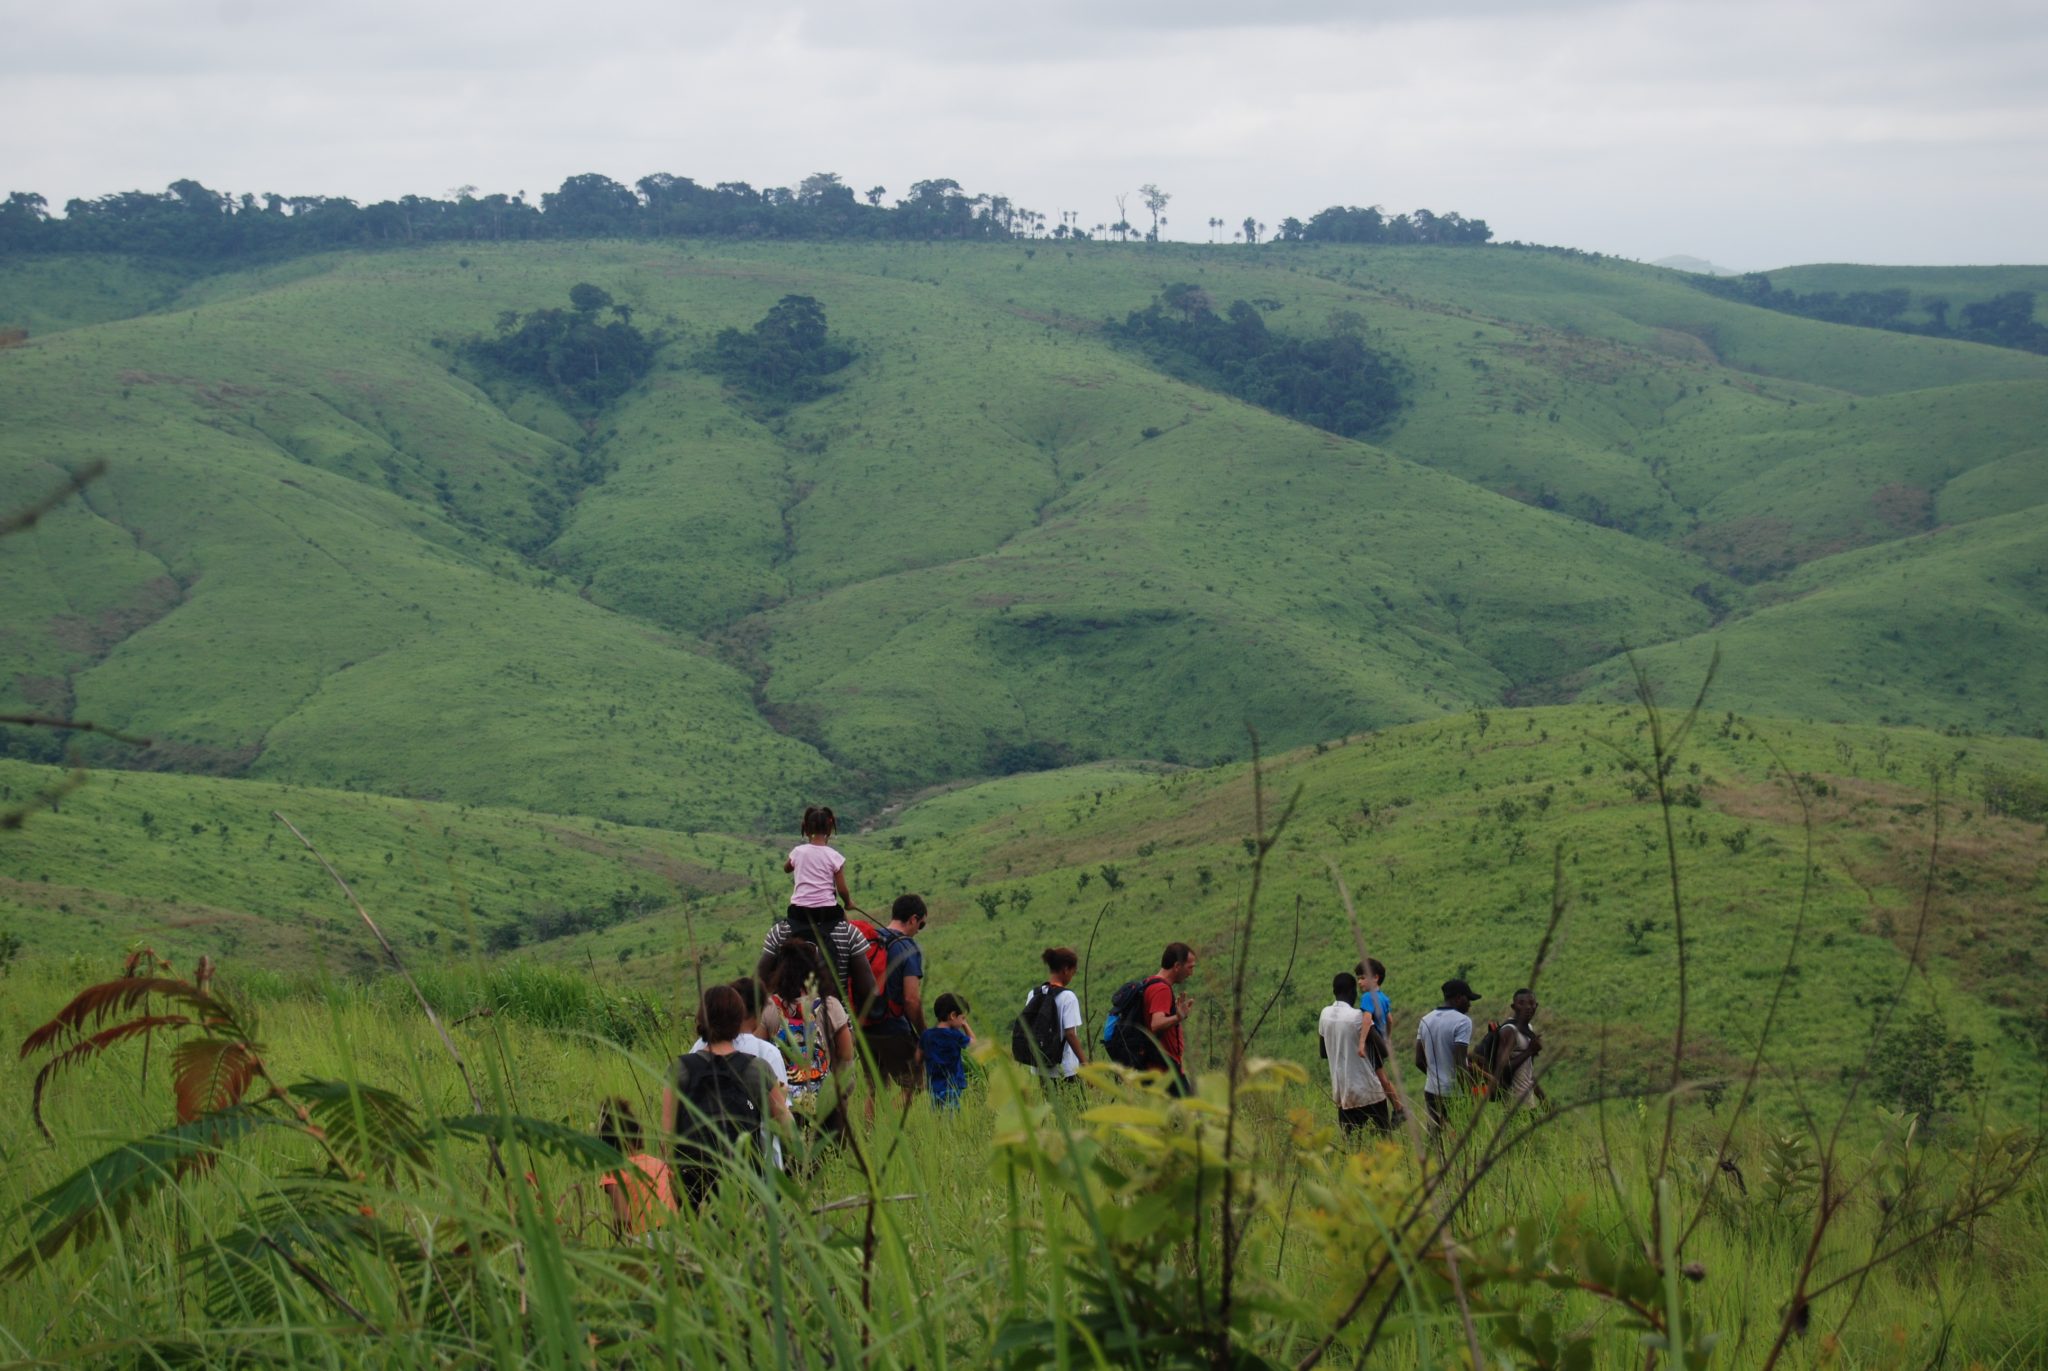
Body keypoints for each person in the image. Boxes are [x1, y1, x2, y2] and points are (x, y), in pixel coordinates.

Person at [663, 984, 793, 1207]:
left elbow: (666, 1139)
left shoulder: (679, 1069)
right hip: (745, 1187)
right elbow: (789, 1131)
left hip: (692, 1188)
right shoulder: (757, 1069)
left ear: (701, 1019)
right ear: (738, 1019)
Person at [759, 809, 878, 1010]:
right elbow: (841, 889)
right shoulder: (835, 856)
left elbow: (786, 868)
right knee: (849, 937)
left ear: (805, 828)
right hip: (828, 913)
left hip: (798, 912)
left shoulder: (798, 852)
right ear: (830, 828)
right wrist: (848, 902)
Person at [689, 977, 790, 1169]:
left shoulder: (698, 1047)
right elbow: (782, 1119)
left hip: (704, 1163)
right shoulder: (767, 1053)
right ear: (758, 1011)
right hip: (761, 1166)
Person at [765, 936, 858, 1142]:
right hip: (826, 1099)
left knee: (791, 1160)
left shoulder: (770, 1007)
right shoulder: (830, 1004)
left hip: (784, 1100)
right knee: (828, 1155)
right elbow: (846, 1053)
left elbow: (757, 1052)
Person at [857, 893, 929, 1119]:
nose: (919, 929)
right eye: (922, 924)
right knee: (916, 1083)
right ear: (913, 919)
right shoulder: (907, 947)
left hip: (863, 1026)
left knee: (875, 1088)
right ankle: (888, 1126)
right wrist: (924, 1034)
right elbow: (911, 999)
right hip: (892, 1028)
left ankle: (870, 1135)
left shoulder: (869, 939)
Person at [1319, 972, 1392, 1135]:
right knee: (1385, 1140)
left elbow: (1324, 1053)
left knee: (1352, 1147)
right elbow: (1383, 1051)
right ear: (1353, 992)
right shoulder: (1357, 1017)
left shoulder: (1324, 1014)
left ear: (1334, 991)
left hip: (1343, 1094)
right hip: (1369, 1092)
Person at [596, 1097, 674, 1236]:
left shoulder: (614, 1172)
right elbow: (677, 1197)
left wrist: (617, 1240)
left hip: (649, 1241)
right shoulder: (659, 1164)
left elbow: (623, 1218)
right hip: (679, 1236)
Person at [1414, 978, 1482, 1128]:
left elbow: (1419, 1060)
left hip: (1431, 1090)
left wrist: (1436, 1078)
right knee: (1463, 1139)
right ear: (1458, 998)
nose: (1470, 1004)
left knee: (1435, 1137)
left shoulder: (1425, 1020)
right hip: (1455, 1093)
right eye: (1468, 999)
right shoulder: (1463, 1021)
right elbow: (1460, 1063)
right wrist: (1470, 1094)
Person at [1024, 947, 1086, 1092]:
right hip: (1066, 1067)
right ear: (1065, 969)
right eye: (1073, 972)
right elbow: (1070, 1034)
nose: (1072, 976)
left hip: (1041, 1066)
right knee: (1077, 1111)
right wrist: (1085, 1063)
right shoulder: (1068, 997)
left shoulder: (1033, 994)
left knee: (1051, 1108)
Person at [1143, 942, 1198, 1095]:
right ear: (1177, 966)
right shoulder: (1161, 989)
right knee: (1189, 1114)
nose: (1191, 973)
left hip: (1157, 1066)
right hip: (1165, 1069)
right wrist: (1178, 1016)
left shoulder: (1150, 982)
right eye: (1190, 967)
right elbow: (1156, 1024)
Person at [1494, 988, 1546, 1107]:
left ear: (1536, 1006)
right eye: (1521, 1003)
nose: (1527, 1007)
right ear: (1513, 1006)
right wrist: (1530, 1051)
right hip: (1513, 1103)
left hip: (1527, 1101)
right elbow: (1501, 1069)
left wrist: (1542, 1097)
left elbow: (1527, 1070)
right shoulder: (1509, 1031)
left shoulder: (1528, 1028)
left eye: (1531, 1003)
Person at [921, 993, 974, 1108]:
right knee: (951, 1120)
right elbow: (974, 1044)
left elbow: (917, 1057)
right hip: (952, 1087)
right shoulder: (955, 1035)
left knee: (938, 1118)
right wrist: (965, 1026)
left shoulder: (927, 1035)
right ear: (953, 1015)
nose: (963, 1021)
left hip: (933, 1088)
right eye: (963, 1018)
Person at [1355, 958, 1391, 1039]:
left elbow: (1367, 1019)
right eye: (1358, 979)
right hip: (1382, 1042)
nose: (1359, 982)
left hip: (1373, 1043)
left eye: (1362, 978)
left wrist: (1362, 1043)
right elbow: (1390, 1020)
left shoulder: (1367, 996)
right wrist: (1387, 1038)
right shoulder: (1384, 997)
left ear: (1375, 977)